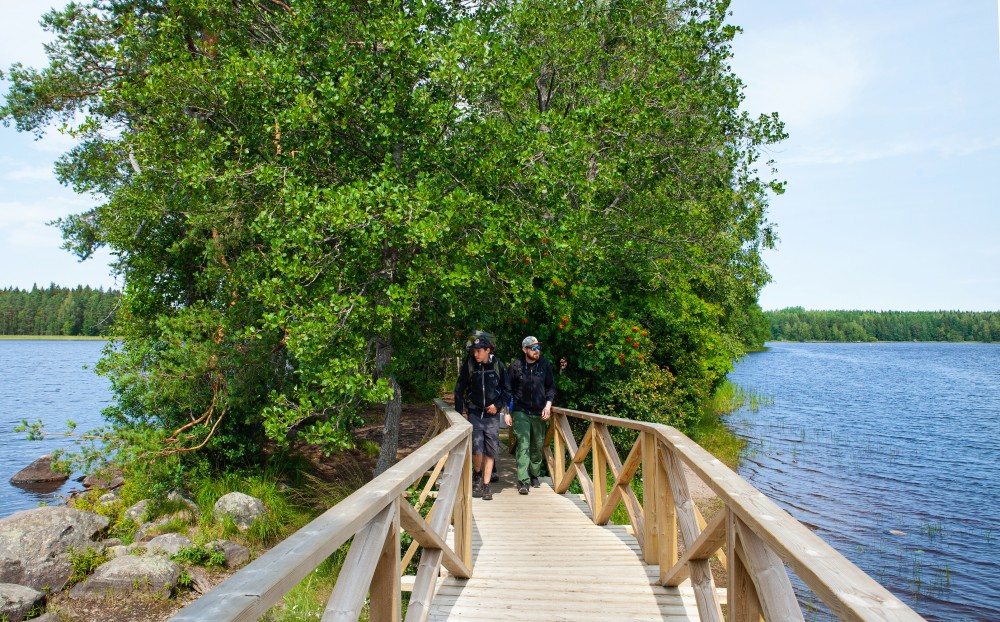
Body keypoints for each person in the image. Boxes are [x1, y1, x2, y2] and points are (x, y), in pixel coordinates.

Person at [454, 334, 510, 501]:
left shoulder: (498, 365)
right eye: (474, 351)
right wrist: (458, 416)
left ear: (487, 350)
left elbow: (507, 390)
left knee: (491, 450)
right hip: (475, 413)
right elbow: (459, 390)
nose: (475, 354)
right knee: (477, 449)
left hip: (492, 415)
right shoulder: (470, 366)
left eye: (479, 351)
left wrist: (498, 406)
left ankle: (486, 486)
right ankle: (477, 474)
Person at [505, 335, 556, 494]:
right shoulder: (516, 366)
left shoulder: (544, 365)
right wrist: (507, 412)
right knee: (523, 444)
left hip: (539, 412)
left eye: (538, 348)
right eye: (533, 348)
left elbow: (551, 387)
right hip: (521, 411)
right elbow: (507, 390)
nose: (537, 351)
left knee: (537, 445)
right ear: (524, 349)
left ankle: (534, 473)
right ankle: (523, 480)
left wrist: (548, 406)